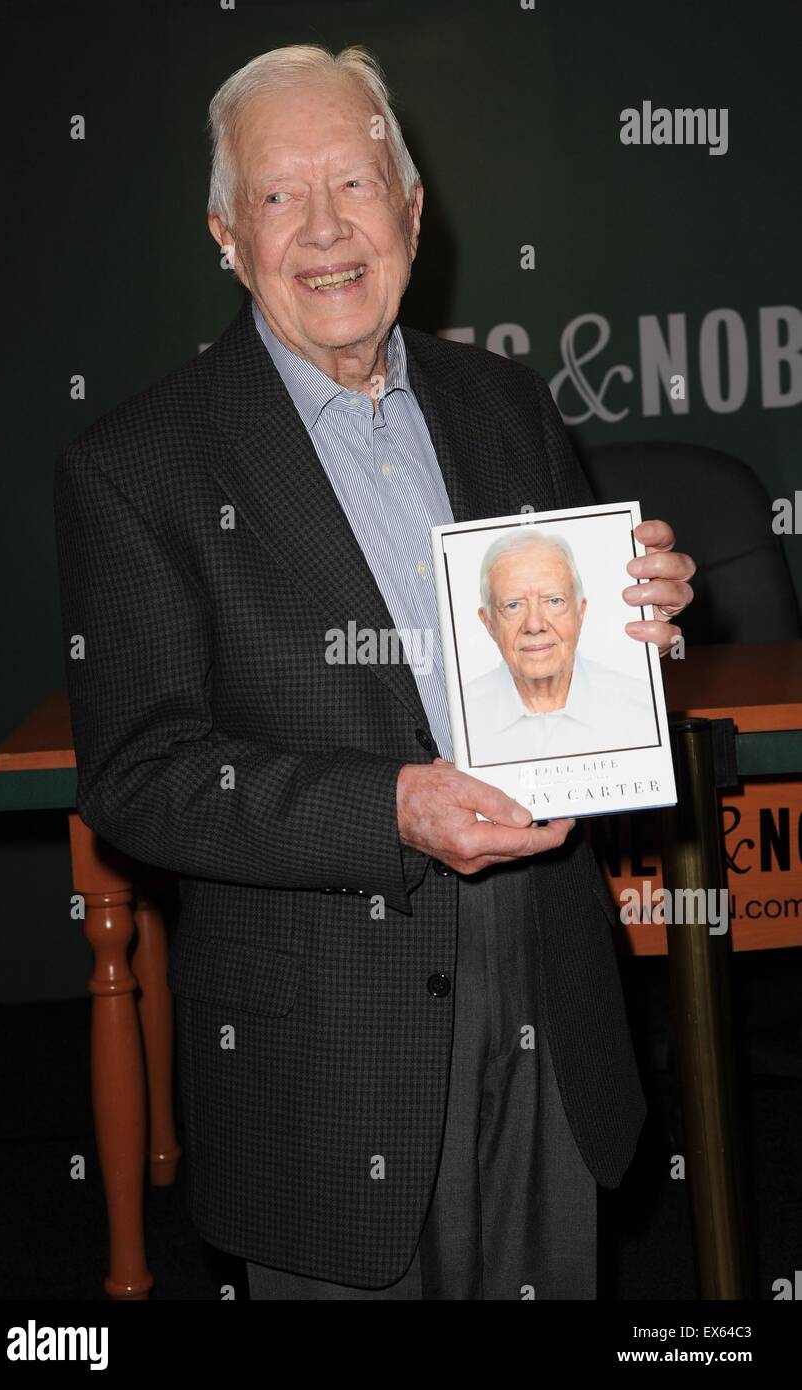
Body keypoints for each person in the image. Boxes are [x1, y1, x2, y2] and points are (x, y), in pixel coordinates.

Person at [53, 43, 696, 1300]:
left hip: (547, 996)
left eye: (354, 182)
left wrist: (643, 622)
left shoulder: (504, 402)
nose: (325, 229)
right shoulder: (135, 466)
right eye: (279, 197)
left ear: (409, 211)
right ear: (227, 237)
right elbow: (137, 779)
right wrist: (389, 807)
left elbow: (587, 680)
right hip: (323, 1050)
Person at [464, 529, 658, 763]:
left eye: (554, 601)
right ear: (488, 623)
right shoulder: (458, 720)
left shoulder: (641, 709)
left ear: (580, 612)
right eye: (513, 605)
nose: (534, 625)